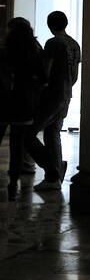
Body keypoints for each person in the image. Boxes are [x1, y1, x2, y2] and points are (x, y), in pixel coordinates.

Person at [28, 11, 81, 193]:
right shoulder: (75, 45)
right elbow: (74, 75)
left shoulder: (53, 43)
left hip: (52, 95)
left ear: (49, 25)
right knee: (53, 134)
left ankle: (53, 170)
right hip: (66, 95)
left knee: (28, 134)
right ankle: (55, 177)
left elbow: (46, 70)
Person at [0, 18, 47, 201]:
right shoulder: (34, 51)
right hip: (24, 102)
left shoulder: (4, 52)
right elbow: (43, 78)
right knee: (18, 144)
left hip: (4, 101)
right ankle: (13, 182)